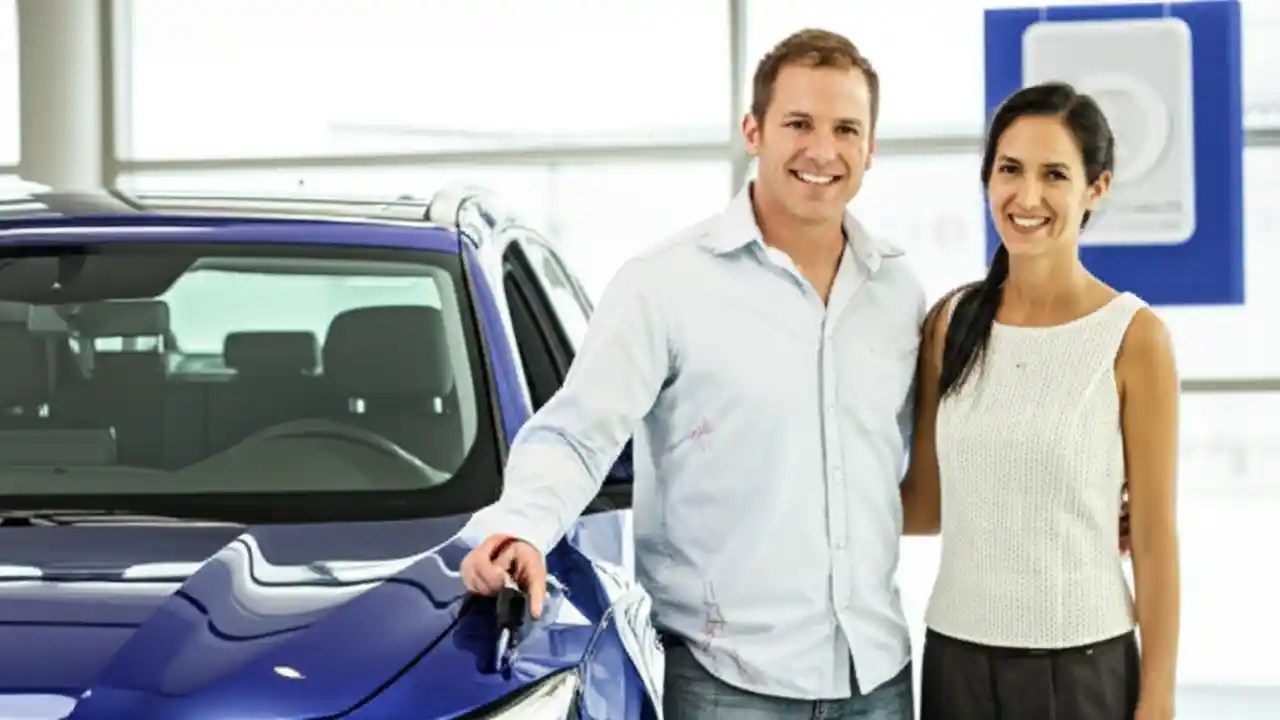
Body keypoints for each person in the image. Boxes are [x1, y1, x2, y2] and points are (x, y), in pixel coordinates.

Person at [460, 28, 919, 719]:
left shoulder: (897, 289)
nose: (823, 151)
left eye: (846, 128)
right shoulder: (665, 286)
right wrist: (520, 526)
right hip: (724, 681)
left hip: (875, 676)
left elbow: (916, 461)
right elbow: (578, 433)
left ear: (871, 147)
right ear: (753, 130)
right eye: (799, 123)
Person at [900, 81, 1181, 720]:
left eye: (1055, 174)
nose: (1027, 197)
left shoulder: (1135, 338)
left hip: (1082, 667)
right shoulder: (949, 324)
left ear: (1096, 189)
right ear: (987, 179)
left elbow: (1156, 539)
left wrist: (1159, 697)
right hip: (956, 661)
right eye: (1009, 170)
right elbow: (925, 506)